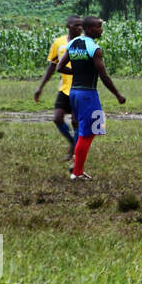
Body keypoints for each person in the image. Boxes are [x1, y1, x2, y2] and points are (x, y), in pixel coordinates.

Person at [57, 16, 126, 181]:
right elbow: (104, 76)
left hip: (74, 93)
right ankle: (77, 172)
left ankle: (78, 167)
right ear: (88, 29)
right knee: (89, 132)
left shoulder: (73, 44)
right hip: (88, 94)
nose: (100, 30)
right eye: (97, 27)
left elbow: (60, 67)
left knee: (91, 128)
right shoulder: (94, 49)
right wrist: (118, 95)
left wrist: (76, 73)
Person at [34, 15, 83, 169]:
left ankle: (76, 154)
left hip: (79, 88)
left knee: (76, 121)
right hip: (64, 89)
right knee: (57, 118)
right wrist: (41, 87)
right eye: (76, 25)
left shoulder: (85, 43)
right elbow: (52, 67)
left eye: (81, 25)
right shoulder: (59, 43)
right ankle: (71, 143)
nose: (79, 28)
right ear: (68, 26)